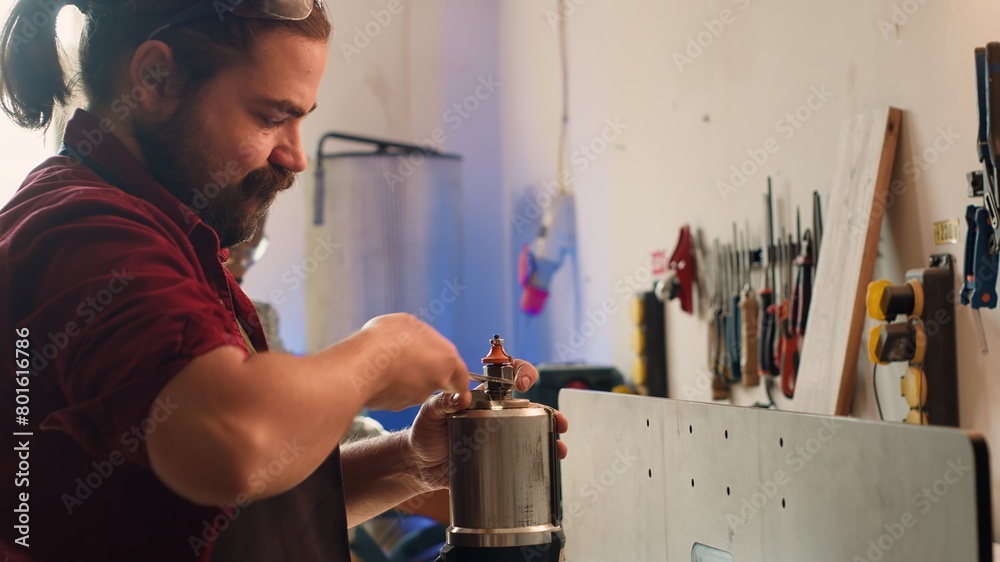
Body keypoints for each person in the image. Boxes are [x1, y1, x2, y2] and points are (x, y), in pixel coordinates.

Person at [0, 1, 568, 561]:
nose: (296, 155)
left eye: (302, 118)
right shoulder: (86, 231)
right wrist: (377, 354)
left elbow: (236, 505)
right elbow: (231, 441)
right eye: (272, 116)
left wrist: (411, 462)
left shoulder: (172, 239)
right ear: (155, 79)